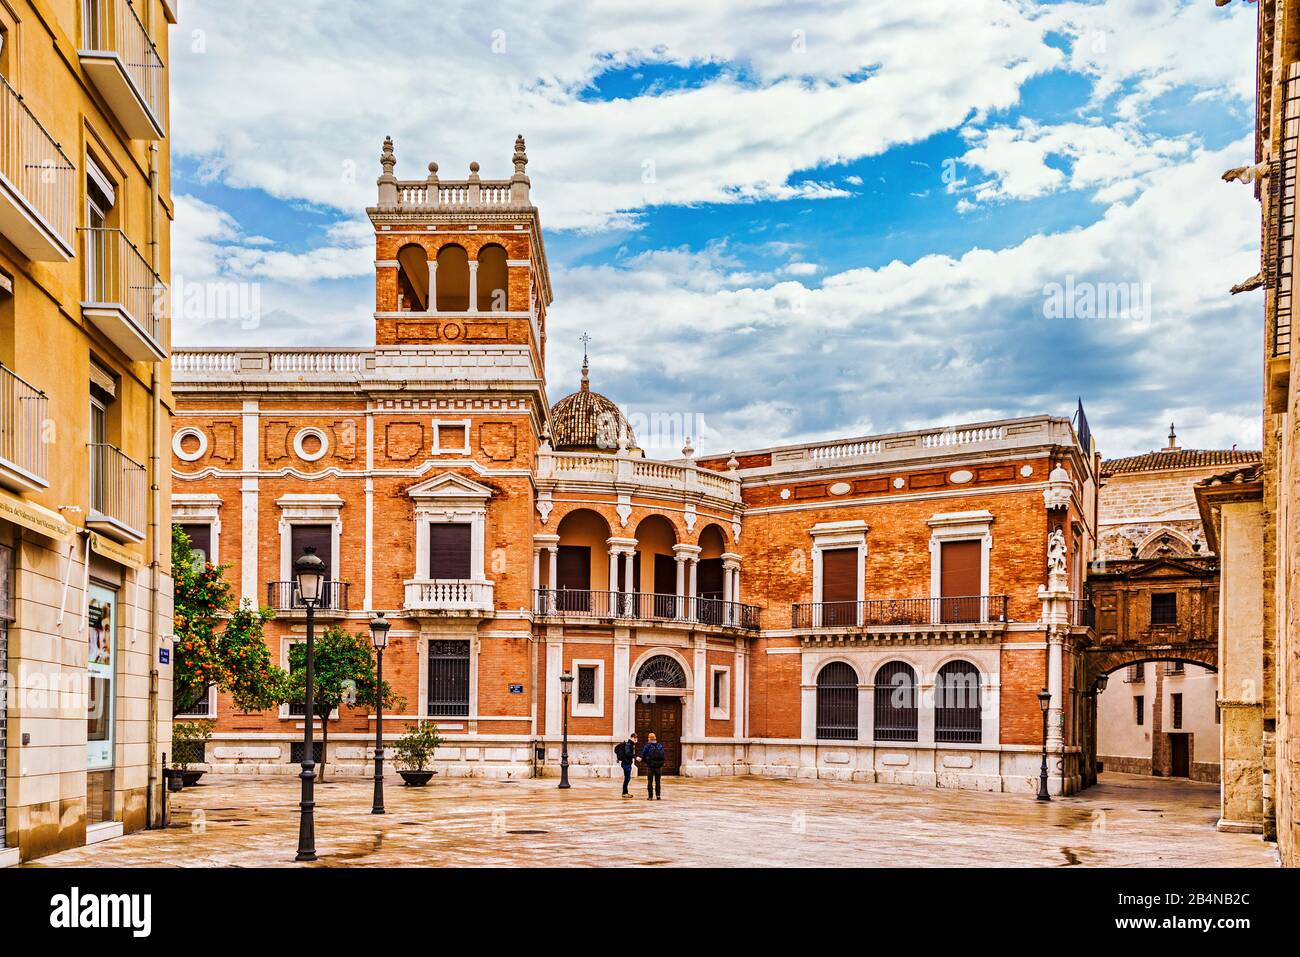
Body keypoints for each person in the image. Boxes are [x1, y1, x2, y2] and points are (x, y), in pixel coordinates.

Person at [640, 732, 665, 800]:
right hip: (658, 767)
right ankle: (658, 796)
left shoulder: (647, 746)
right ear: (655, 738)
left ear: (649, 738)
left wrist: (644, 760)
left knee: (650, 781)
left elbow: (643, 754)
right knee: (658, 781)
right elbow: (663, 756)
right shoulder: (660, 746)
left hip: (650, 766)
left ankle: (650, 796)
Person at [614, 731, 638, 797]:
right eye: (634, 738)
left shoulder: (631, 744)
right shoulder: (628, 745)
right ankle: (624, 793)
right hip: (626, 763)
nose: (636, 739)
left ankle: (625, 792)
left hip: (627, 763)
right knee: (627, 778)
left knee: (627, 778)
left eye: (636, 738)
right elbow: (628, 754)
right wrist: (635, 757)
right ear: (631, 738)